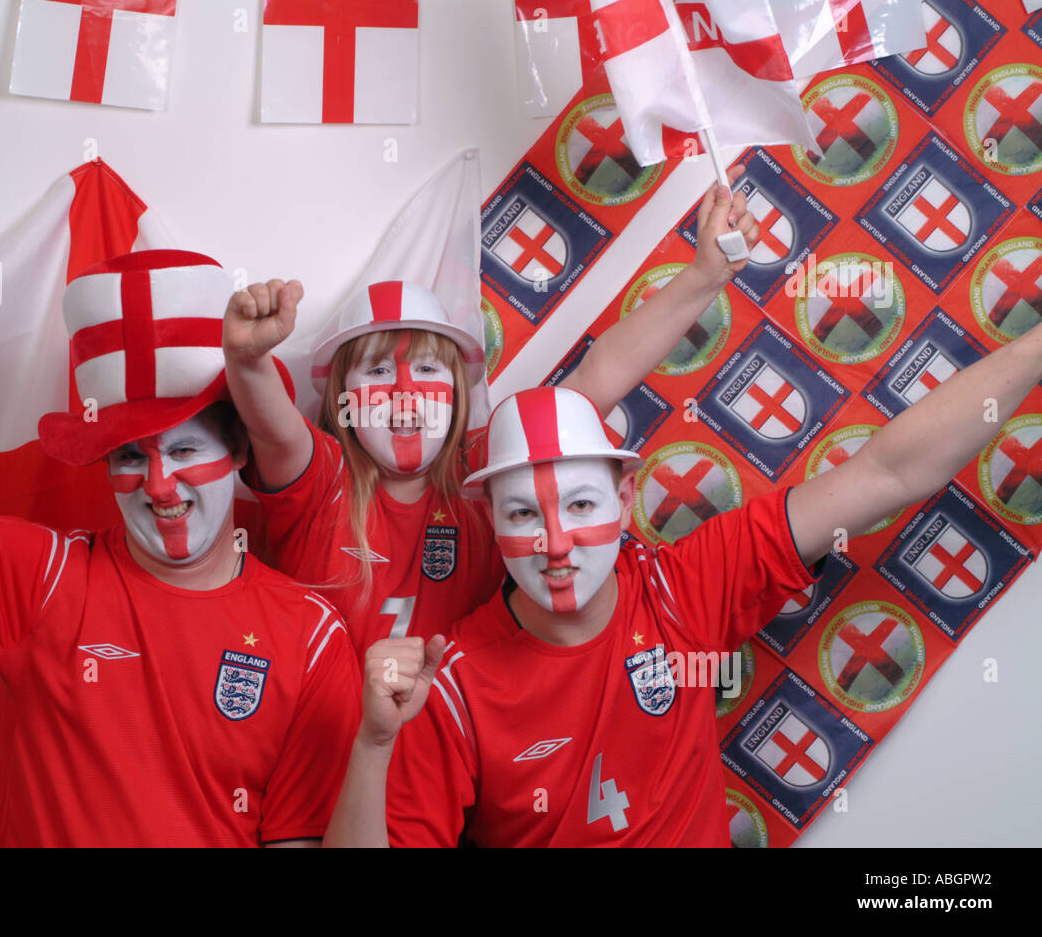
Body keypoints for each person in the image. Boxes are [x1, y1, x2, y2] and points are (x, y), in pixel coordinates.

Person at [324, 316, 1042, 846]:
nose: (556, 544)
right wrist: (373, 746)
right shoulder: (450, 687)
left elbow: (889, 473)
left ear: (626, 496)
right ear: (489, 519)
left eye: (580, 504)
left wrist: (1033, 349)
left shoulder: (680, 587)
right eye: (522, 512)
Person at [0, 250, 360, 847]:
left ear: (237, 451)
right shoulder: (37, 576)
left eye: (184, 451)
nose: (158, 486)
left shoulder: (310, 640)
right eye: (130, 457)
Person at [222, 170, 761, 654]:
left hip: (453, 747)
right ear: (340, 398)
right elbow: (273, 427)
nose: (405, 392)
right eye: (379, 372)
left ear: (459, 392)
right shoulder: (321, 480)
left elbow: (598, 378)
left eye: (429, 371)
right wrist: (247, 360)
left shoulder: (485, 471)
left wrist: (703, 278)